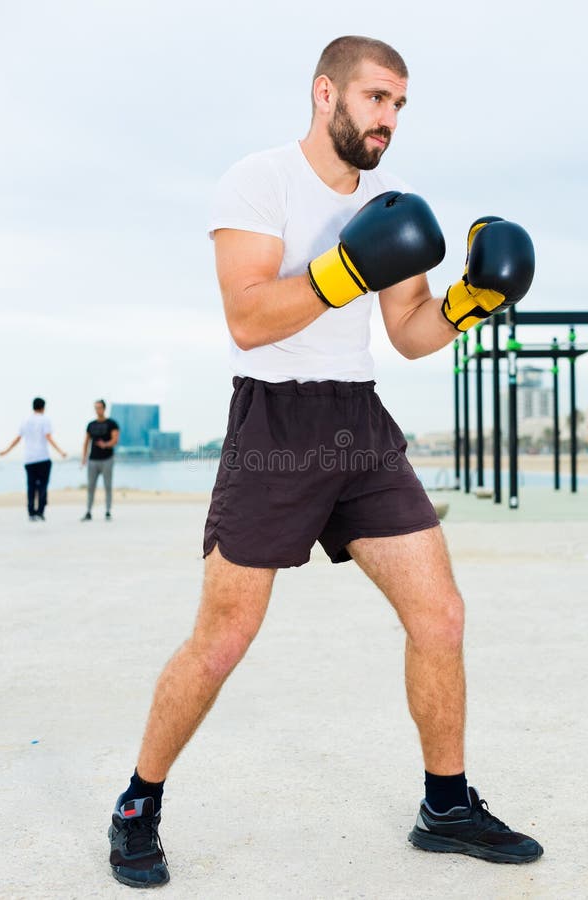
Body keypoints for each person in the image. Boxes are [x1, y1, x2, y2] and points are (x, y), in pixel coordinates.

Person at [107, 36, 541, 888]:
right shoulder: (258, 180)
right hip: (274, 422)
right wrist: (343, 268)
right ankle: (136, 804)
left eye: (400, 106)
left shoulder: (392, 201)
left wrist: (470, 302)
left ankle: (445, 805)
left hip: (359, 423)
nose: (389, 120)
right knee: (225, 638)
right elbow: (248, 319)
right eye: (378, 99)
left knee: (441, 615)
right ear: (326, 95)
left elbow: (411, 336)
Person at [0, 397, 67, 520]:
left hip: (29, 459)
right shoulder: (45, 420)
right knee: (42, 485)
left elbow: (18, 438)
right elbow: (48, 437)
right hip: (43, 458)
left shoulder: (25, 420)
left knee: (31, 486)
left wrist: (6, 451)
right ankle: (40, 512)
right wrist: (60, 451)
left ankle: (31, 512)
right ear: (43, 407)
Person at [81, 399, 120, 521]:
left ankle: (108, 511)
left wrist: (106, 444)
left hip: (107, 459)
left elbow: (115, 439)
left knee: (108, 486)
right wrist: (84, 457)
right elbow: (86, 441)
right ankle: (88, 511)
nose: (97, 410)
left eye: (99, 407)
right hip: (93, 460)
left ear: (104, 408)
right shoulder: (91, 424)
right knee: (91, 486)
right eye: (95, 408)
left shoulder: (112, 423)